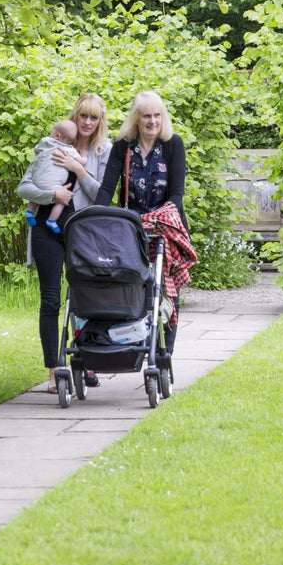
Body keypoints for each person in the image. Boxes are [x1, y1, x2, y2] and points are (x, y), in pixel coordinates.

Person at [95, 90, 197, 378]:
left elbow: (176, 195)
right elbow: (107, 188)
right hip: (131, 228)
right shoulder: (122, 147)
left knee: (166, 292)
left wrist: (154, 220)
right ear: (136, 119)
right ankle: (134, 343)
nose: (152, 121)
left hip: (165, 228)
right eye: (146, 116)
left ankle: (165, 355)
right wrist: (96, 218)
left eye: (157, 115)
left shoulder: (172, 145)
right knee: (132, 287)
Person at [17, 93, 113, 393]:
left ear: (100, 122)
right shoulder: (53, 144)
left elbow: (103, 196)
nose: (86, 122)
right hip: (48, 229)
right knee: (50, 299)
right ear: (75, 116)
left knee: (86, 298)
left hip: (83, 231)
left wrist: (79, 169)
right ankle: (54, 369)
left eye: (93, 117)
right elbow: (27, 185)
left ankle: (87, 359)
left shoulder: (104, 151)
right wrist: (51, 196)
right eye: (82, 116)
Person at [23, 119, 84, 234]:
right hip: (53, 184)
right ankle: (51, 220)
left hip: (37, 179)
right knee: (63, 199)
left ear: (57, 135)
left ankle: (30, 210)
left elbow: (37, 150)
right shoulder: (69, 150)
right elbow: (81, 161)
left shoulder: (46, 141)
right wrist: (84, 155)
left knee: (38, 191)